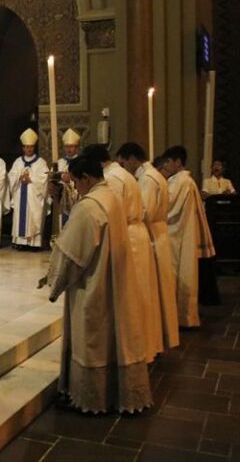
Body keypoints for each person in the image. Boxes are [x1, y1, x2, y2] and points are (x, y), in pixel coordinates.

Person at [40, 156, 152, 413]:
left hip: (93, 285)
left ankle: (91, 397)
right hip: (113, 277)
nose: (77, 188)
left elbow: (71, 253)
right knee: (112, 339)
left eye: (77, 183)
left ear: (86, 178)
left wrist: (54, 281)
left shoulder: (90, 207)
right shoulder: (111, 197)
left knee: (93, 340)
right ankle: (113, 393)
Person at [83, 144, 162, 361]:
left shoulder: (113, 179)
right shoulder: (122, 174)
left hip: (127, 236)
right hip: (135, 233)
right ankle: (143, 346)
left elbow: (110, 212)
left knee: (130, 298)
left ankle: (134, 350)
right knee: (140, 295)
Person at [116, 142, 179, 350]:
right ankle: (157, 337)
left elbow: (146, 211)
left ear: (133, 158)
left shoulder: (148, 178)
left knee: (149, 293)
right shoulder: (153, 175)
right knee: (156, 292)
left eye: (124, 162)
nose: (125, 167)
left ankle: (150, 341)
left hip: (152, 235)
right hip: (157, 234)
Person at [162, 145, 216, 326]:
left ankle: (181, 317)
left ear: (178, 162)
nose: (166, 165)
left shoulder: (180, 181)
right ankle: (183, 316)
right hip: (180, 232)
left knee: (178, 276)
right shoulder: (184, 180)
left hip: (177, 235)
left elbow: (167, 207)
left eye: (168, 161)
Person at [8, 129, 48, 249]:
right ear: (23, 148)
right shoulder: (18, 162)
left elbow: (44, 178)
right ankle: (20, 242)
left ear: (34, 147)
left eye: (31, 147)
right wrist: (19, 177)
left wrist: (31, 180)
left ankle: (33, 243)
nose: (29, 149)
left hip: (33, 197)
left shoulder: (41, 163)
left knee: (33, 218)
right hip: (20, 195)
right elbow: (11, 176)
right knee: (20, 217)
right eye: (26, 147)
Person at [57, 128, 81, 227]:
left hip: (77, 201)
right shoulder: (59, 163)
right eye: (67, 146)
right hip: (62, 202)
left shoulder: (81, 162)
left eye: (72, 146)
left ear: (77, 147)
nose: (69, 149)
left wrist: (70, 180)